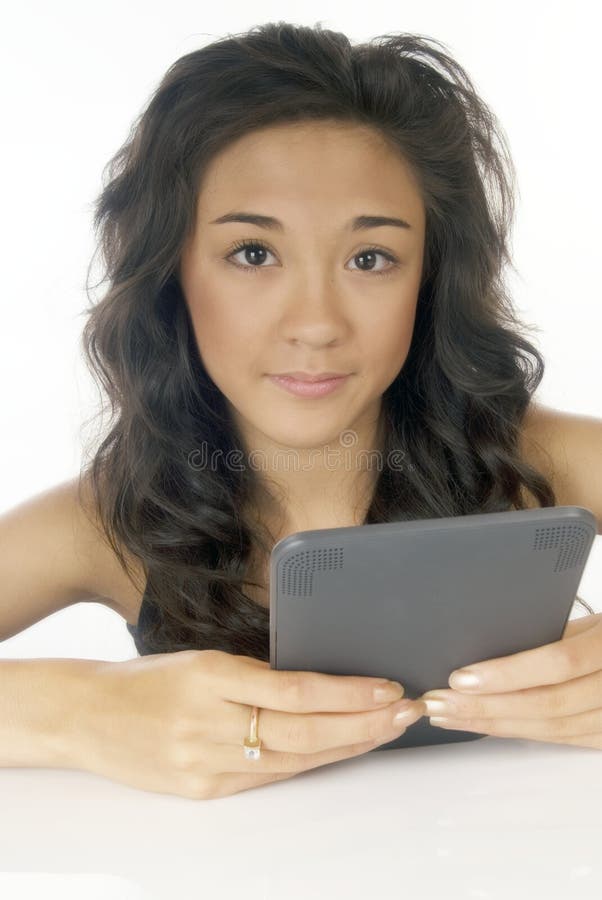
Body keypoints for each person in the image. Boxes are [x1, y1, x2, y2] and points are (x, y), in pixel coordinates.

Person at [1, 22, 601, 802]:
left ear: (429, 278)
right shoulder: (108, 521)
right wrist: (79, 713)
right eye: (253, 254)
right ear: (172, 272)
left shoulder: (538, 459)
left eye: (370, 259)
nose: (316, 324)